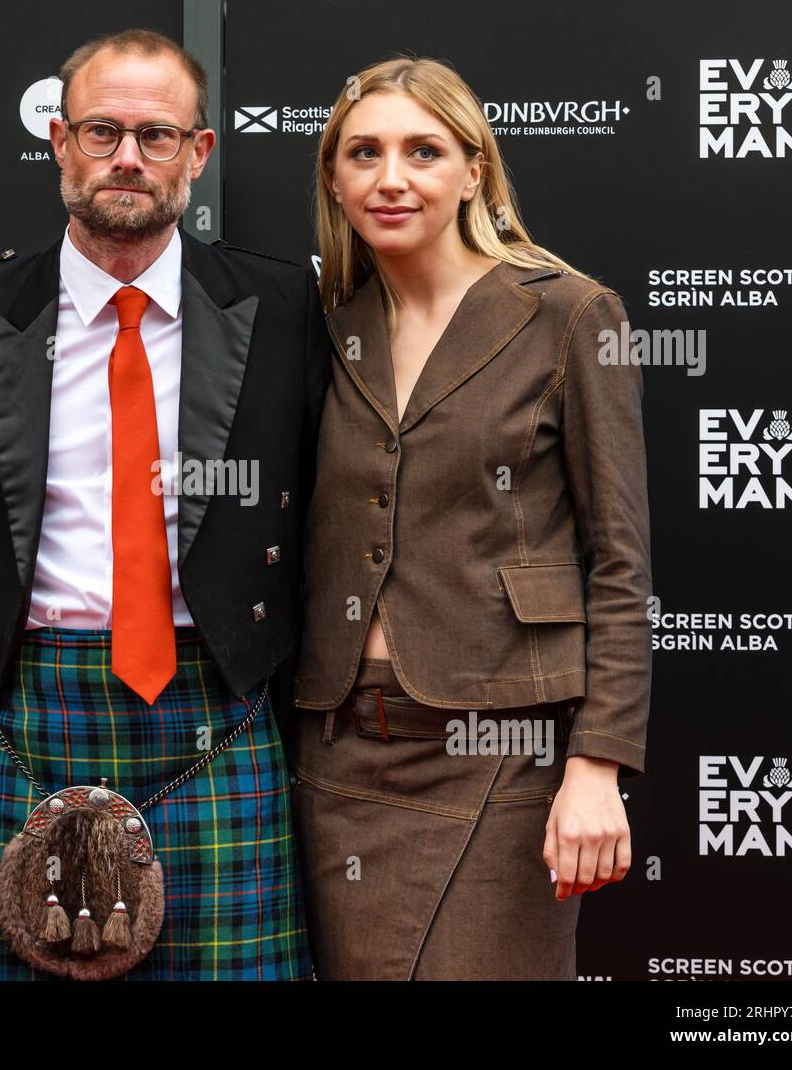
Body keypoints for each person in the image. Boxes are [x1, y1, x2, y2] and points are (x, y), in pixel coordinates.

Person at [0, 28, 331, 980]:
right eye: (102, 131)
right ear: (59, 142)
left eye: (157, 135)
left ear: (200, 152)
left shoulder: (282, 308)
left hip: (217, 707)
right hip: (33, 705)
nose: (128, 158)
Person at [290, 57, 652, 980]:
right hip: (334, 762)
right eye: (363, 153)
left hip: (502, 758)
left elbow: (619, 560)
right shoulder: (327, 326)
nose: (392, 178)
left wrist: (598, 764)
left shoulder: (569, 315)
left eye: (424, 151)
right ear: (335, 176)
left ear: (474, 171)